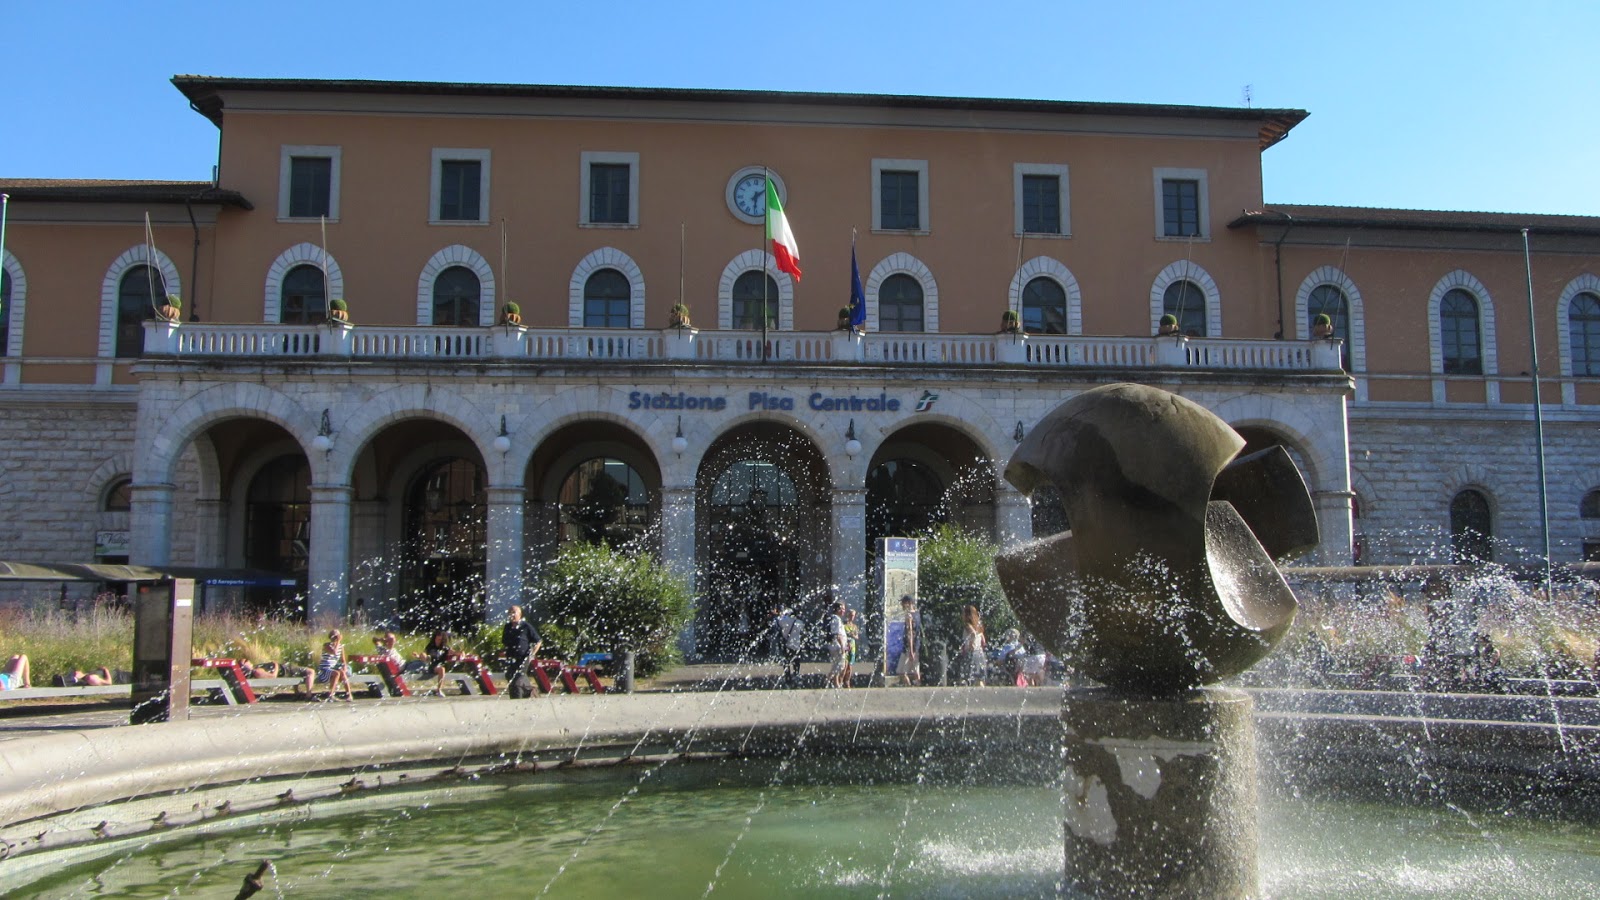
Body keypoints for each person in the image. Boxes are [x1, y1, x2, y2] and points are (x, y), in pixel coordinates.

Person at [502, 605, 542, 697]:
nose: (511, 614)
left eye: (514, 612)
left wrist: (532, 654)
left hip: (523, 657)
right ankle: (530, 691)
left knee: (518, 678)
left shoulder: (526, 626)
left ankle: (517, 700)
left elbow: (538, 641)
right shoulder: (507, 627)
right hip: (511, 657)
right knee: (509, 676)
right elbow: (505, 642)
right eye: (510, 612)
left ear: (520, 614)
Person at [305, 629, 354, 701]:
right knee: (336, 673)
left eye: (337, 636)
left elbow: (343, 660)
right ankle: (331, 695)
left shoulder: (341, 647)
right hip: (324, 669)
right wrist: (338, 641)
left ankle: (349, 695)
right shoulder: (326, 645)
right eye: (334, 636)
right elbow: (334, 652)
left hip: (333, 668)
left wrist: (344, 667)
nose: (335, 638)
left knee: (342, 672)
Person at [408, 630, 453, 696]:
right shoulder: (430, 646)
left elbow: (453, 652)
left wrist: (461, 653)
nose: (437, 641)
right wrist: (418, 656)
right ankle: (426, 661)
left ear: (442, 640)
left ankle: (438, 690)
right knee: (424, 655)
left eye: (439, 640)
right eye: (436, 639)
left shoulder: (445, 647)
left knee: (442, 669)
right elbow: (424, 653)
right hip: (430, 665)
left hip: (438, 666)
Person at [894, 595, 923, 686]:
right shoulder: (917, 614)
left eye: (903, 603)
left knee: (901, 671)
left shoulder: (909, 616)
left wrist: (910, 649)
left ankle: (909, 687)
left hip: (909, 646)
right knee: (915, 668)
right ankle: (917, 685)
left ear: (908, 603)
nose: (902, 605)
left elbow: (910, 633)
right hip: (917, 644)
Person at [957, 604, 987, 686]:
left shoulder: (968, 625)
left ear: (968, 615)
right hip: (980, 653)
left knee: (968, 676)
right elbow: (983, 640)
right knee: (979, 677)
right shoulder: (978, 626)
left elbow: (973, 634)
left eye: (963, 613)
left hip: (971, 653)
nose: (962, 615)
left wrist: (971, 644)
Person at [825, 601, 848, 688]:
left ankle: (836, 683)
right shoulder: (836, 619)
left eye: (844, 609)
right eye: (842, 609)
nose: (843, 611)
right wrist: (842, 646)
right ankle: (827, 679)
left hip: (836, 645)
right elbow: (838, 634)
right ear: (837, 609)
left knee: (836, 665)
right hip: (837, 646)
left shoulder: (835, 619)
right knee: (840, 666)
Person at [842, 608, 860, 688]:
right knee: (844, 664)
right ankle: (841, 679)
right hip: (845, 646)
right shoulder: (843, 625)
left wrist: (853, 635)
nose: (851, 617)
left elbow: (857, 637)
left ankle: (847, 681)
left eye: (853, 616)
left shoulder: (855, 626)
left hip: (852, 646)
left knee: (850, 665)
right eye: (850, 615)